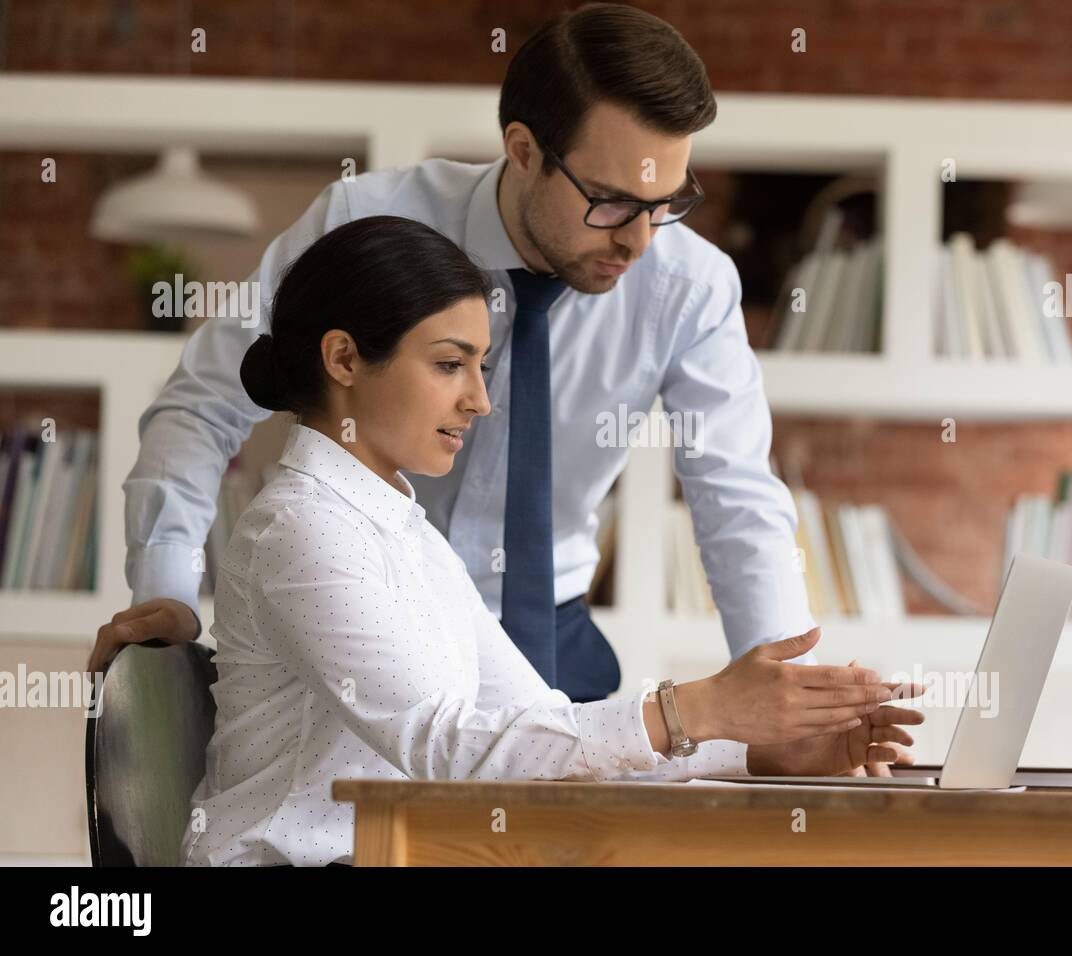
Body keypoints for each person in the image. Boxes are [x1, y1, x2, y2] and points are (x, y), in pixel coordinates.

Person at [91, 2, 906, 776]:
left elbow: (735, 496)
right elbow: (204, 401)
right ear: (522, 149)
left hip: (546, 642)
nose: (640, 240)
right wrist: (164, 596)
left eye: (667, 204)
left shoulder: (687, 282)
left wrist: (784, 713)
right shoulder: (368, 225)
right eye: (613, 201)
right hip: (366, 624)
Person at [179, 215, 922, 865]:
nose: (480, 398)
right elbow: (449, 752)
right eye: (448, 364)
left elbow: (539, 736)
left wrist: (763, 751)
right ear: (344, 360)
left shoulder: (401, 529)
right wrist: (705, 708)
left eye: (480, 364)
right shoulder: (303, 529)